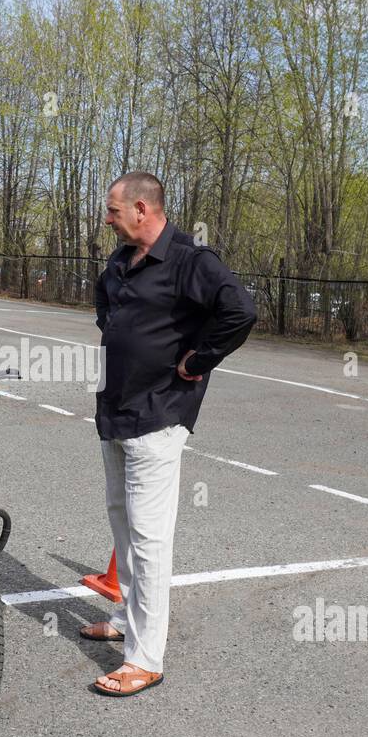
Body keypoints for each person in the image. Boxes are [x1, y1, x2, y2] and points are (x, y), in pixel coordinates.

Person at [84, 172, 257, 696]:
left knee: (149, 539)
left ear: (142, 208)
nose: (107, 219)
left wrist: (197, 360)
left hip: (158, 416)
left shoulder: (190, 260)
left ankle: (144, 659)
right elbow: (106, 313)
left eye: (113, 211)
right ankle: (124, 615)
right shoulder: (120, 260)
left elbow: (240, 311)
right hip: (116, 409)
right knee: (123, 526)